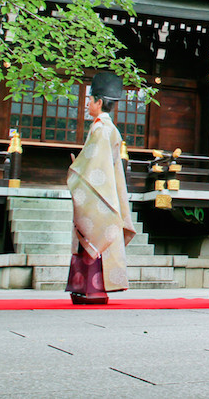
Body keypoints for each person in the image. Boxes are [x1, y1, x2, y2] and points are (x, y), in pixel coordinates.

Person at [65, 72, 136, 305]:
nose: (87, 104)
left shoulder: (100, 129)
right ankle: (93, 289)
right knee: (99, 233)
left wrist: (77, 169)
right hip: (108, 189)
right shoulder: (110, 128)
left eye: (90, 100)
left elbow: (94, 163)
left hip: (99, 190)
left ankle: (91, 290)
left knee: (93, 232)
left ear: (98, 102)